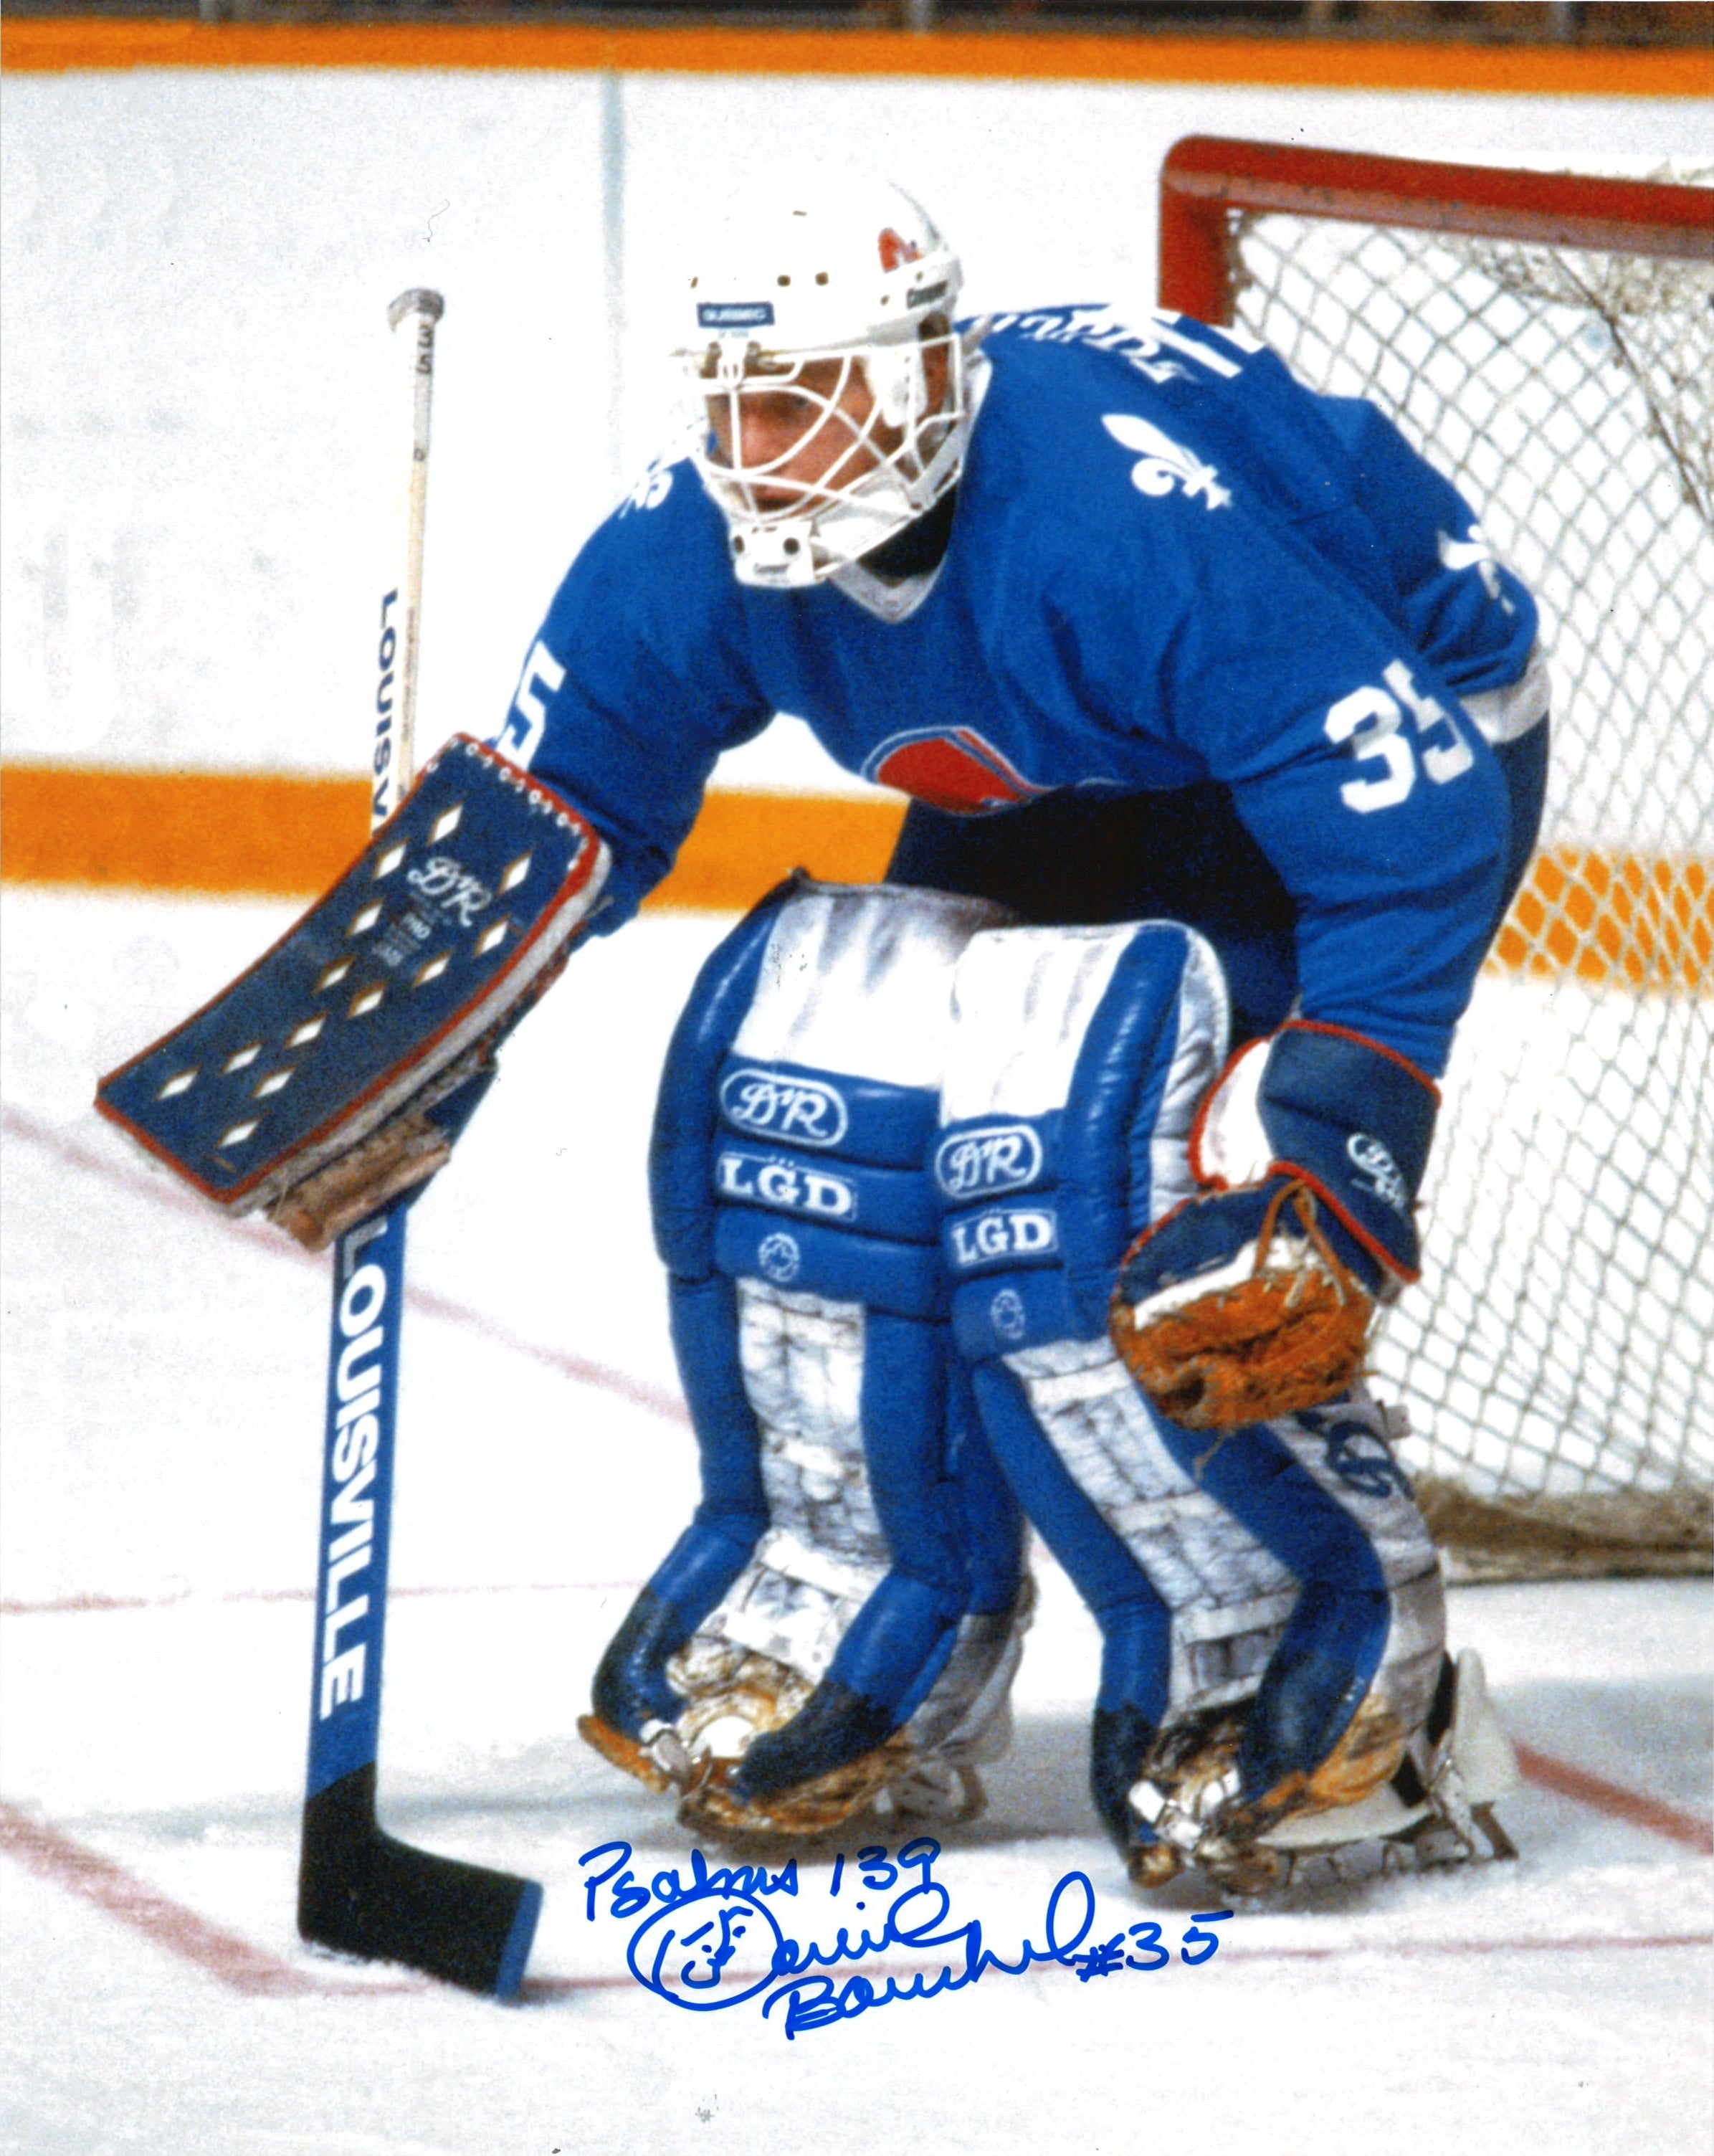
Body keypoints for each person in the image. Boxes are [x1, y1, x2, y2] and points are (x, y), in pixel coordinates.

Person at [495, 160, 1544, 1887]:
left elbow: (1408, 812)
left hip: (1376, 721)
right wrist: (420, 1013)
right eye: (748, 407)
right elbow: (557, 806)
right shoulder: (693, 537)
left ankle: (1326, 1629)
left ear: (929, 381)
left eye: (821, 402)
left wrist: (1342, 1146)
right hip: (1079, 733)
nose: (779, 454)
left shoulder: (1118, 531)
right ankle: (892, 1601)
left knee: (1088, 1137)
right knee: (832, 1055)